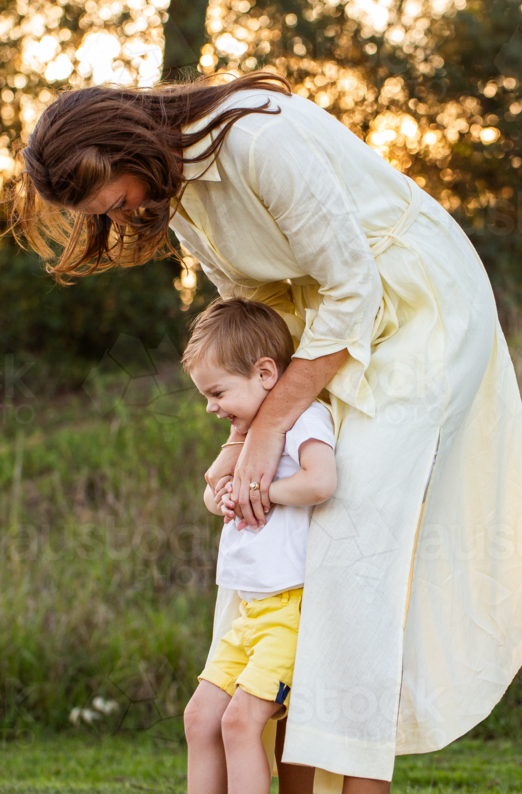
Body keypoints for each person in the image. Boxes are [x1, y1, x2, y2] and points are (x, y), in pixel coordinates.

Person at [11, 71, 522, 793]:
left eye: (119, 199)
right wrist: (242, 439)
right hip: (317, 328)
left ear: (130, 148)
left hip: (412, 308)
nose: (130, 214)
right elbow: (247, 305)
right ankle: (286, 768)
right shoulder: (175, 191)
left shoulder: (257, 138)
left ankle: (356, 776)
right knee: (287, 534)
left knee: (349, 529)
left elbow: (353, 286)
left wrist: (275, 420)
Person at [181, 296, 336, 794]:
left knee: (240, 723)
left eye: (218, 392)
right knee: (200, 716)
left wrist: (261, 491)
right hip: (248, 614)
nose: (210, 406)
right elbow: (211, 494)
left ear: (266, 372)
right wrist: (231, 470)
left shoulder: (304, 420)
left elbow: (320, 483)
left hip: (288, 612)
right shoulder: (246, 433)